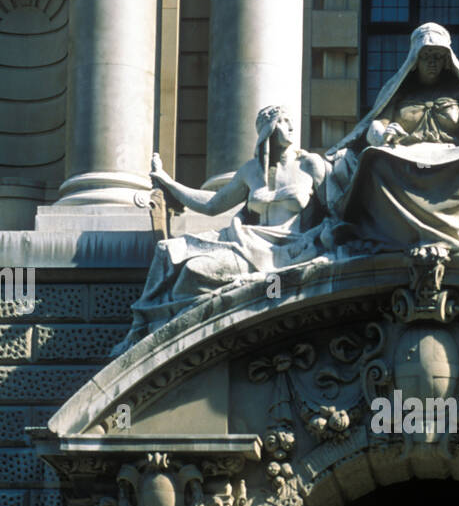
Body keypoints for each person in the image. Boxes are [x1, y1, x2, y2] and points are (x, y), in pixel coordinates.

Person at [113, 105, 331, 352]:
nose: (291, 126)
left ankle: (185, 339)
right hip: (248, 243)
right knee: (168, 249)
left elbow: (334, 209)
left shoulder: (310, 165)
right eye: (283, 121)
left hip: (290, 250)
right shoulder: (252, 170)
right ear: (268, 130)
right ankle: (141, 331)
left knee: (193, 271)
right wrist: (168, 182)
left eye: (291, 121)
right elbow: (212, 205)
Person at [326, 22, 459, 249]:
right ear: (415, 59)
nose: (432, 62)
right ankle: (391, 236)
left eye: (438, 57)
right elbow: (375, 127)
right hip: (404, 154)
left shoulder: (458, 94)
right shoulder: (398, 93)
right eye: (427, 55)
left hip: (452, 155)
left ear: (447, 61)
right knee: (376, 160)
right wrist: (384, 136)